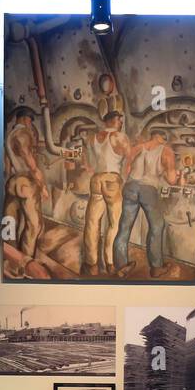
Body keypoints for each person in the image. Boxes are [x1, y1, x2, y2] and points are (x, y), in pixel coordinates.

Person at [113, 127, 177, 278]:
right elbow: (172, 179)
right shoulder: (166, 151)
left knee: (124, 227)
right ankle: (156, 267)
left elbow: (126, 168)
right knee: (157, 226)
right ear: (161, 137)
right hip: (148, 189)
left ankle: (121, 266)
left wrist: (128, 183)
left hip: (130, 186)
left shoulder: (137, 148)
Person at [81, 110, 130, 276]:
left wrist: (89, 168)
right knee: (113, 223)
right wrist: (123, 176)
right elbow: (129, 158)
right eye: (119, 120)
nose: (121, 123)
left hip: (96, 179)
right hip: (112, 180)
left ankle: (92, 264)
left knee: (92, 223)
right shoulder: (119, 137)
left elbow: (85, 158)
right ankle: (109, 263)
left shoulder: (93, 137)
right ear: (112, 120)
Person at [3, 105, 49, 262]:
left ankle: (9, 258)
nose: (31, 124)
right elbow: (30, 161)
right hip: (25, 182)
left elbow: (7, 164)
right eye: (30, 120)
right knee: (34, 225)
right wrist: (42, 185)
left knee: (9, 222)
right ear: (24, 119)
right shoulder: (23, 133)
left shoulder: (9, 136)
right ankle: (27, 262)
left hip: (12, 182)